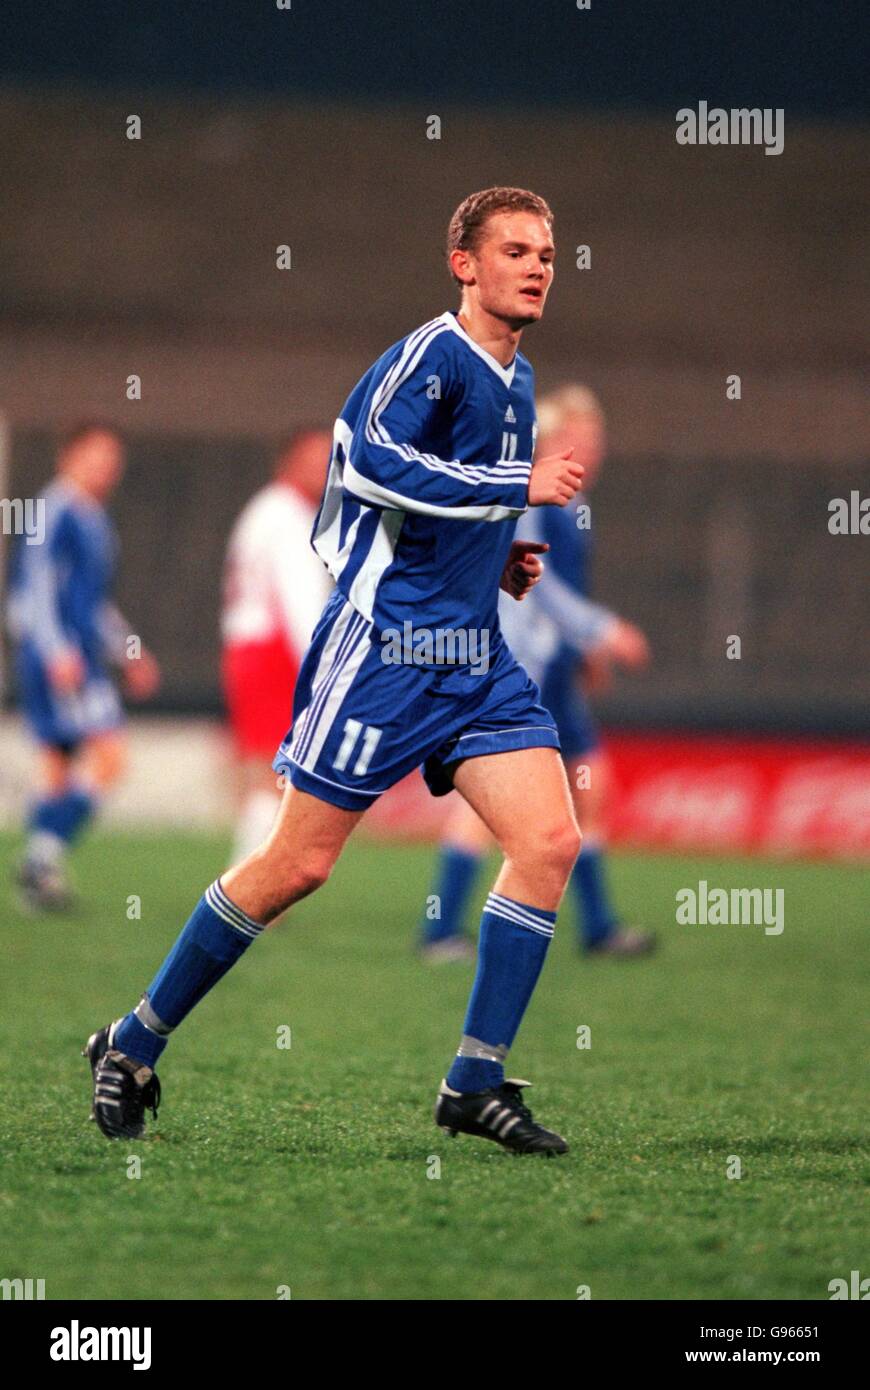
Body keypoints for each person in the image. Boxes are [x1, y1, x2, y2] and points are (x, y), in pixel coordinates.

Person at [85, 186, 588, 1156]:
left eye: (548, 253)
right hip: (388, 652)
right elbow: (369, 463)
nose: (536, 266)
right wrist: (510, 488)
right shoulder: (430, 359)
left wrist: (505, 553)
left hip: (474, 659)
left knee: (550, 841)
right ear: (465, 263)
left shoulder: (519, 380)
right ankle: (134, 1041)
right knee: (298, 864)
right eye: (516, 249)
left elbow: (454, 509)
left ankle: (473, 1082)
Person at [419, 385, 655, 961]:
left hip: (550, 671)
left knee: (590, 785)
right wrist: (602, 632)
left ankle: (598, 926)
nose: (591, 449)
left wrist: (584, 655)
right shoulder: (537, 501)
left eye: (595, 439)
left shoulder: (572, 508)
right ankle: (440, 929)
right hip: (516, 671)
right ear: (548, 443)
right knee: (489, 804)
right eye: (578, 438)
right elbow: (537, 586)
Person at [7, 422, 160, 910]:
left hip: (75, 653)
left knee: (57, 763)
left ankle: (40, 875)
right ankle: (40, 858)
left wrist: (128, 651)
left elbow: (92, 603)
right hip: (61, 657)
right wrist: (55, 650)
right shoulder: (54, 509)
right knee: (110, 757)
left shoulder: (93, 517)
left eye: (112, 457)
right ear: (67, 457)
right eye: (95, 455)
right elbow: (33, 587)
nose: (106, 466)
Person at [221, 429, 333, 862]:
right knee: (279, 773)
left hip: (250, 648)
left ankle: (250, 880)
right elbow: (298, 601)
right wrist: (322, 668)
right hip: (275, 653)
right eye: (314, 458)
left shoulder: (265, 509)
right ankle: (247, 884)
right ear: (287, 461)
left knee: (269, 771)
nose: (324, 468)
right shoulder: (289, 516)